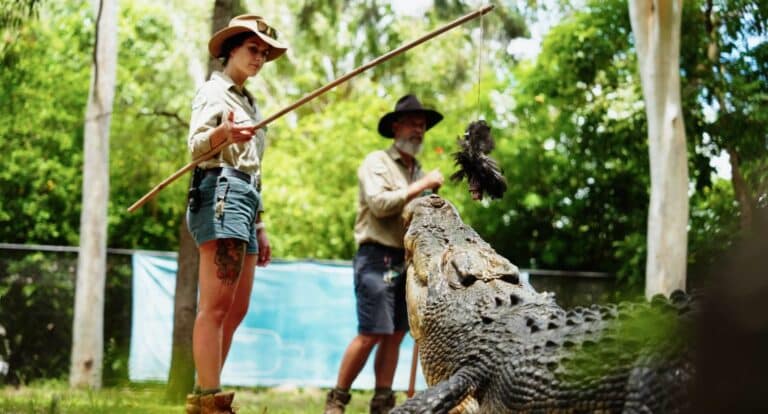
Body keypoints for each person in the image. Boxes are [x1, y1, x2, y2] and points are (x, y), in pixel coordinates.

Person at [184, 14, 287, 414]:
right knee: (215, 305)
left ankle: (207, 391)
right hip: (220, 192)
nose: (259, 58)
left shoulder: (248, 100)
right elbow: (195, 147)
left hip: (246, 200)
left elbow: (254, 168)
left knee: (237, 308)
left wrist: (260, 225)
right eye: (252, 49)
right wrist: (221, 135)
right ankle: (209, 400)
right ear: (230, 50)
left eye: (264, 52)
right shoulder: (214, 92)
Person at [324, 95, 445, 414]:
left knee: (395, 334)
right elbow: (379, 205)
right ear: (396, 126)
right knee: (371, 332)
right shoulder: (376, 162)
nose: (419, 129)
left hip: (406, 262)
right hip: (376, 258)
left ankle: (382, 402)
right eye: (413, 123)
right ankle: (337, 399)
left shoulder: (417, 170)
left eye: (423, 125)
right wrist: (422, 187)